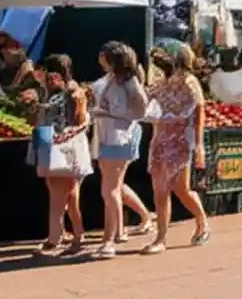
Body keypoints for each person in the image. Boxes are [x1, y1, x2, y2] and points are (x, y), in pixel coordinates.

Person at [141, 45, 210, 254]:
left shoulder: (190, 82)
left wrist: (198, 145)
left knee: (180, 189)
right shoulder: (160, 82)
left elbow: (199, 112)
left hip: (180, 140)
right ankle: (161, 237)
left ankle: (200, 220)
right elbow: (146, 99)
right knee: (161, 188)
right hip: (160, 138)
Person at [91, 42, 149, 259]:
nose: (100, 58)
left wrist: (115, 114)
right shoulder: (111, 79)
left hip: (119, 138)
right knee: (111, 188)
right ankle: (116, 233)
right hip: (106, 136)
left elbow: (141, 110)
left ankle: (109, 241)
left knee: (110, 190)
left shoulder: (129, 82)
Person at [33, 54, 90, 257]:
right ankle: (77, 236)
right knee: (70, 195)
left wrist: (69, 133)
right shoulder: (52, 91)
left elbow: (81, 120)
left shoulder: (72, 92)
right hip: (55, 143)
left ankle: (54, 238)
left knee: (58, 194)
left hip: (64, 146)